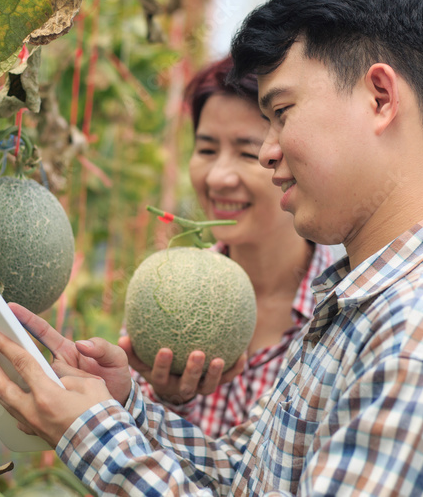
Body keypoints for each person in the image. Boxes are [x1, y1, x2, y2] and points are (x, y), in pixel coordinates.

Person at [0, 0, 423, 495]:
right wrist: (124, 405)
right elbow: (251, 480)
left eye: (282, 113)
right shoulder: (371, 306)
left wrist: (91, 435)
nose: (267, 152)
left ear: (379, 98)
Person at [118, 56, 335, 438]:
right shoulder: (163, 292)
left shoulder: (341, 312)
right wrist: (165, 398)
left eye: (247, 152)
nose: (218, 177)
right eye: (206, 150)